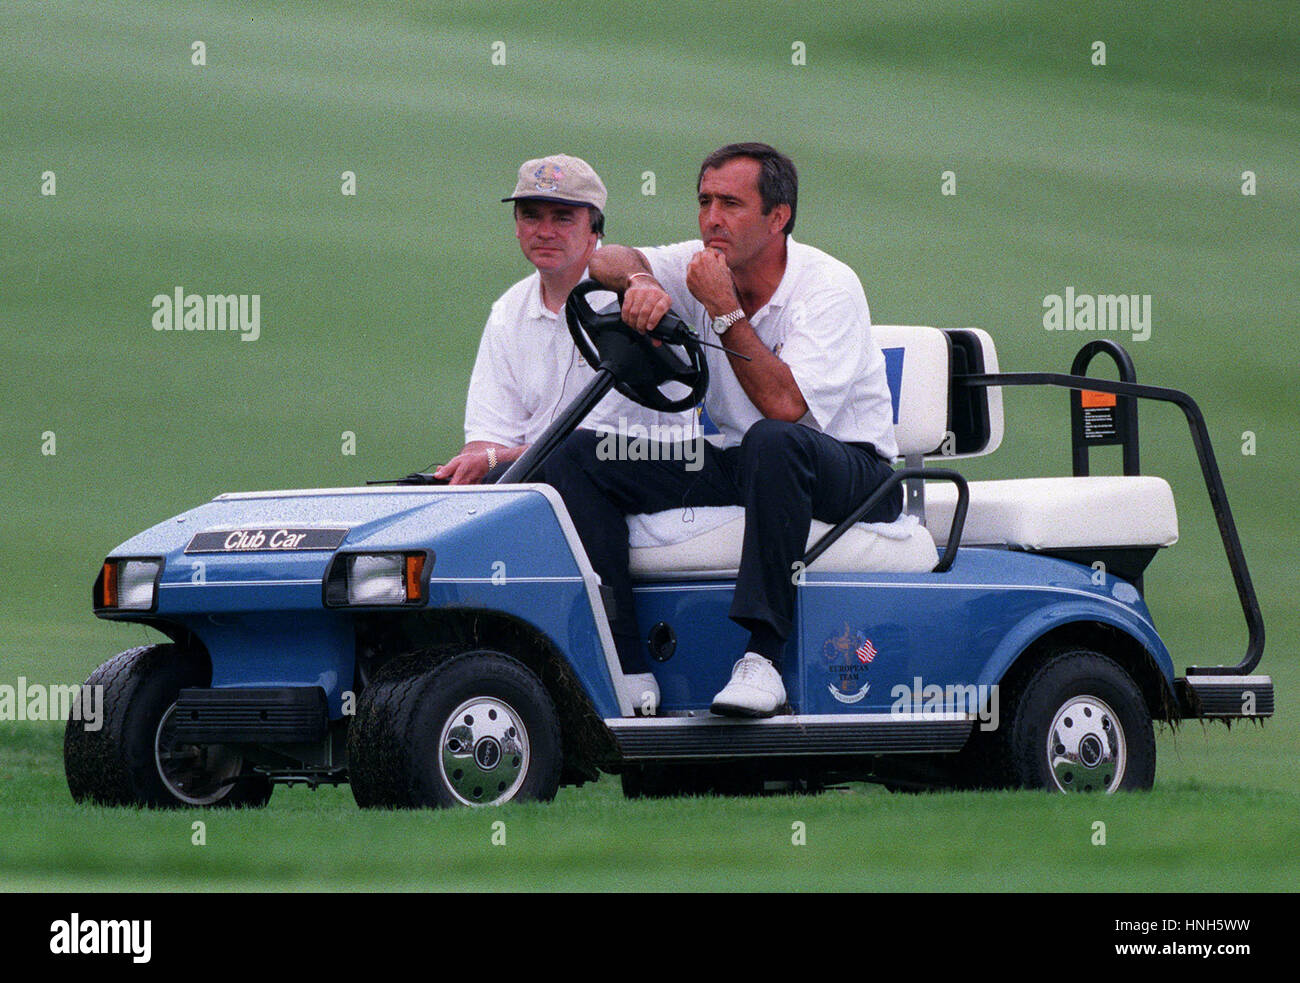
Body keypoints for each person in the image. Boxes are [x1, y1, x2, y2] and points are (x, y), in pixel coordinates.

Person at [537, 143, 901, 716]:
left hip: (853, 472)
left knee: (772, 441)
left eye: (731, 203)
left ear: (777, 217)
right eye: (705, 201)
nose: (711, 218)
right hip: (745, 459)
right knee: (578, 456)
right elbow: (606, 260)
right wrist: (639, 281)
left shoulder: (828, 286)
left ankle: (763, 661)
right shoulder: (703, 261)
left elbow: (785, 408)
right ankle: (625, 666)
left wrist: (724, 310)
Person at [435, 154, 693, 485]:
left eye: (562, 219)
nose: (544, 232)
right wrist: (476, 465)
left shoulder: (640, 291)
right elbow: (488, 436)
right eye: (531, 216)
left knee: (568, 464)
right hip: (548, 481)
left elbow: (592, 444)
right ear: (516, 227)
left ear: (594, 230)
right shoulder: (508, 311)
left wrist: (493, 459)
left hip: (640, 469)